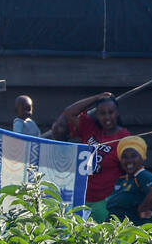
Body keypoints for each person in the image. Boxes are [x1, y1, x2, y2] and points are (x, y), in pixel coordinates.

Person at [49, 91, 132, 222]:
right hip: (81, 197)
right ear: (97, 115)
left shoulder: (124, 137)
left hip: (104, 200)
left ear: (117, 113)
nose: (107, 117)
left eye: (111, 112)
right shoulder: (90, 127)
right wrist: (96, 98)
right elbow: (69, 112)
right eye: (102, 113)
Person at [105, 136, 152, 225]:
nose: (129, 160)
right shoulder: (122, 181)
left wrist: (141, 209)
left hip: (138, 234)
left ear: (142, 157)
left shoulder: (142, 176)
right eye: (124, 157)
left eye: (134, 156)